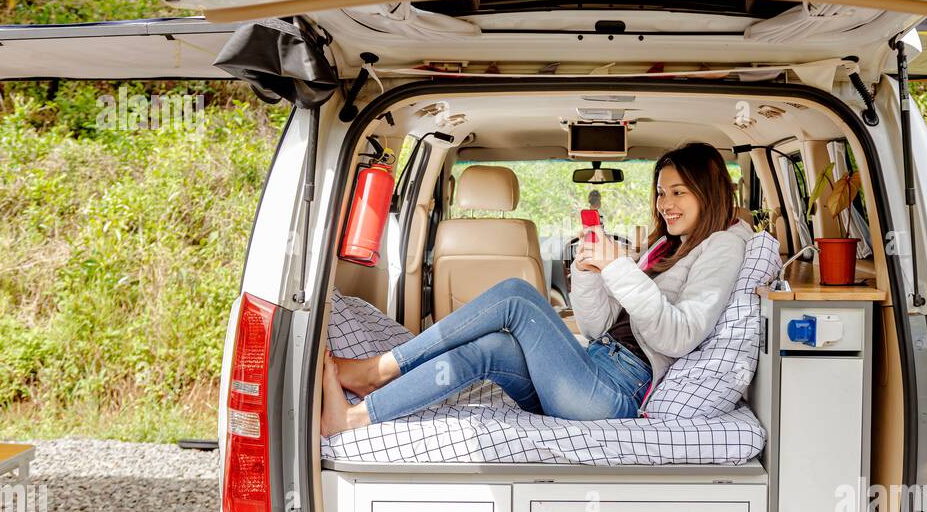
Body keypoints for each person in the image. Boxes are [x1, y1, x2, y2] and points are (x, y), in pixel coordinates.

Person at [321, 142, 752, 436]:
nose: (665, 203)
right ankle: (358, 417)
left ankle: (378, 369)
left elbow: (679, 337)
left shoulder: (724, 246)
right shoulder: (666, 246)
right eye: (661, 192)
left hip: (615, 395)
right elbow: (598, 327)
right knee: (488, 347)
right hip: (594, 368)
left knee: (516, 297)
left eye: (678, 192)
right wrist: (587, 273)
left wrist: (620, 266)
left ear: (708, 191)